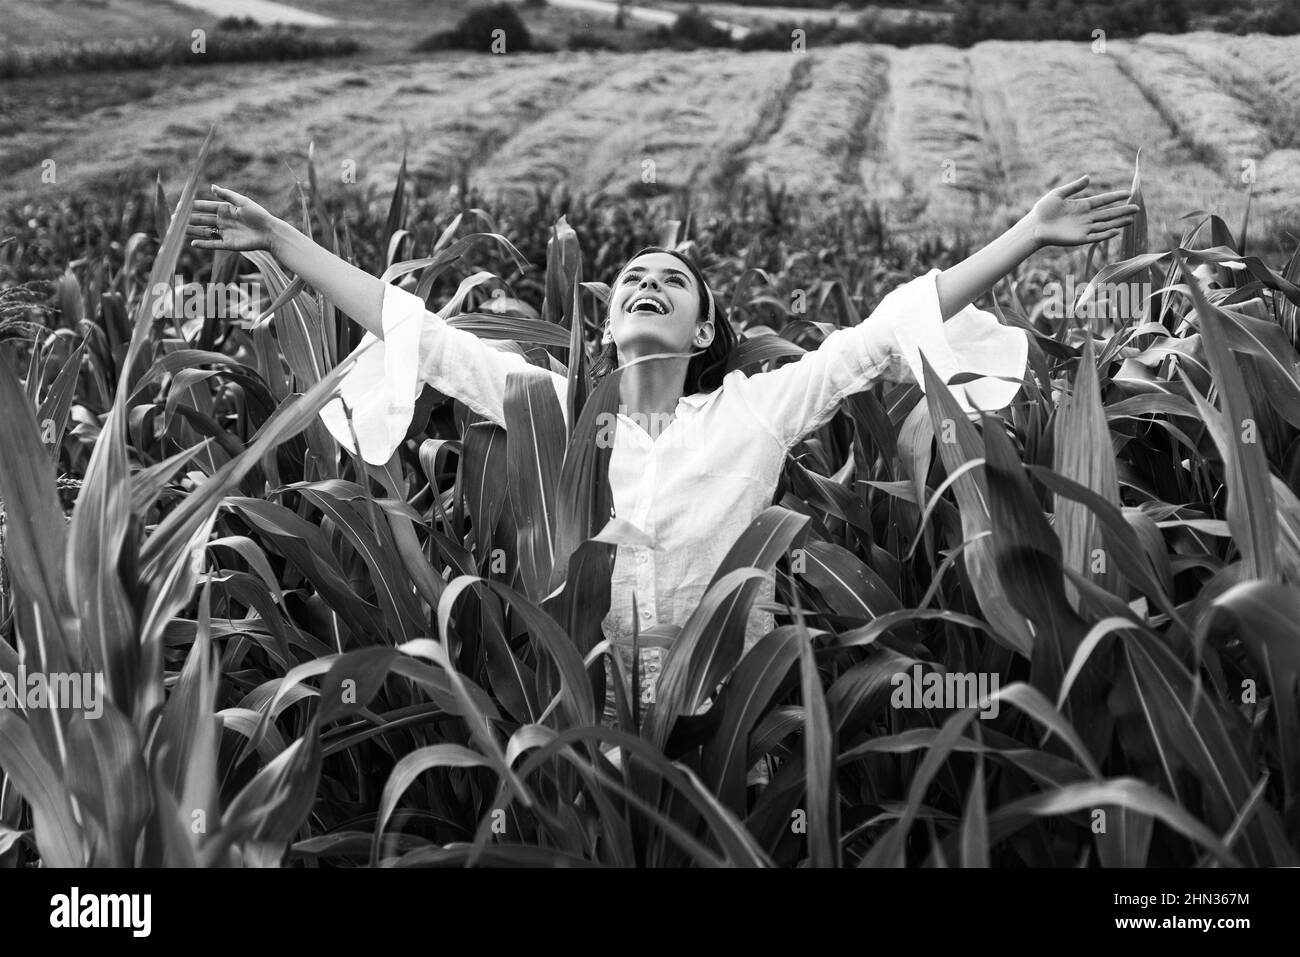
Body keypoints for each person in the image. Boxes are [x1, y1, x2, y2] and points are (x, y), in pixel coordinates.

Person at [187, 176, 1137, 732]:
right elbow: (421, 333)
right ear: (605, 320)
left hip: (733, 723)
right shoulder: (552, 409)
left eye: (672, 280)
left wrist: (1026, 234)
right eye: (633, 278)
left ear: (706, 322)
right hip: (584, 728)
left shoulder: (757, 410)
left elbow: (885, 335)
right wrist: (286, 242)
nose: (648, 281)